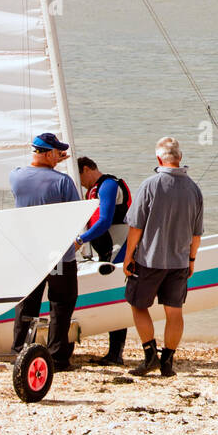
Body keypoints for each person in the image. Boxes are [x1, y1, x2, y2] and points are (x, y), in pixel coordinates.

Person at [124, 136, 203, 378]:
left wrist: (128, 257)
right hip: (179, 262)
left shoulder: (150, 184)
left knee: (138, 306)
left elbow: (136, 226)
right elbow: (196, 233)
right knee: (174, 312)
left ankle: (150, 357)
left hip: (149, 260)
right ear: (180, 159)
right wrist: (191, 260)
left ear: (159, 158)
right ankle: (167, 361)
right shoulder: (194, 189)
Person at [9, 132, 82, 372]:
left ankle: (19, 351)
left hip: (29, 255)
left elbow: (35, 177)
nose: (59, 156)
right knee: (61, 304)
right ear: (50, 153)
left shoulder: (16, 177)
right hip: (58, 257)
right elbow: (76, 217)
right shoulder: (63, 182)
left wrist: (50, 162)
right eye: (57, 152)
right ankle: (58, 358)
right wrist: (56, 167)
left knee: (27, 304)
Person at [77, 156, 133, 366]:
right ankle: (113, 352)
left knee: (116, 298)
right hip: (105, 251)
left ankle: (116, 354)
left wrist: (81, 239)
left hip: (119, 249)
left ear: (86, 169)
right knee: (109, 297)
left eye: (80, 176)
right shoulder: (92, 190)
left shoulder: (108, 185)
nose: (80, 182)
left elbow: (104, 220)